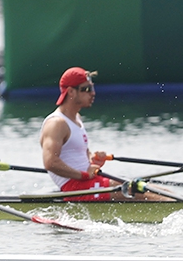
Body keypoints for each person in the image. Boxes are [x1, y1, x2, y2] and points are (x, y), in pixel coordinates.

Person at [39, 67, 167, 202]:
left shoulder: (76, 118)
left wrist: (92, 159)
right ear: (71, 91)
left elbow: (79, 153)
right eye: (87, 89)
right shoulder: (56, 123)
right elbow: (50, 163)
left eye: (92, 88)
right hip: (75, 188)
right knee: (139, 190)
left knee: (153, 189)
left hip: (88, 182)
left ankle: (182, 208)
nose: (93, 93)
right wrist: (83, 175)